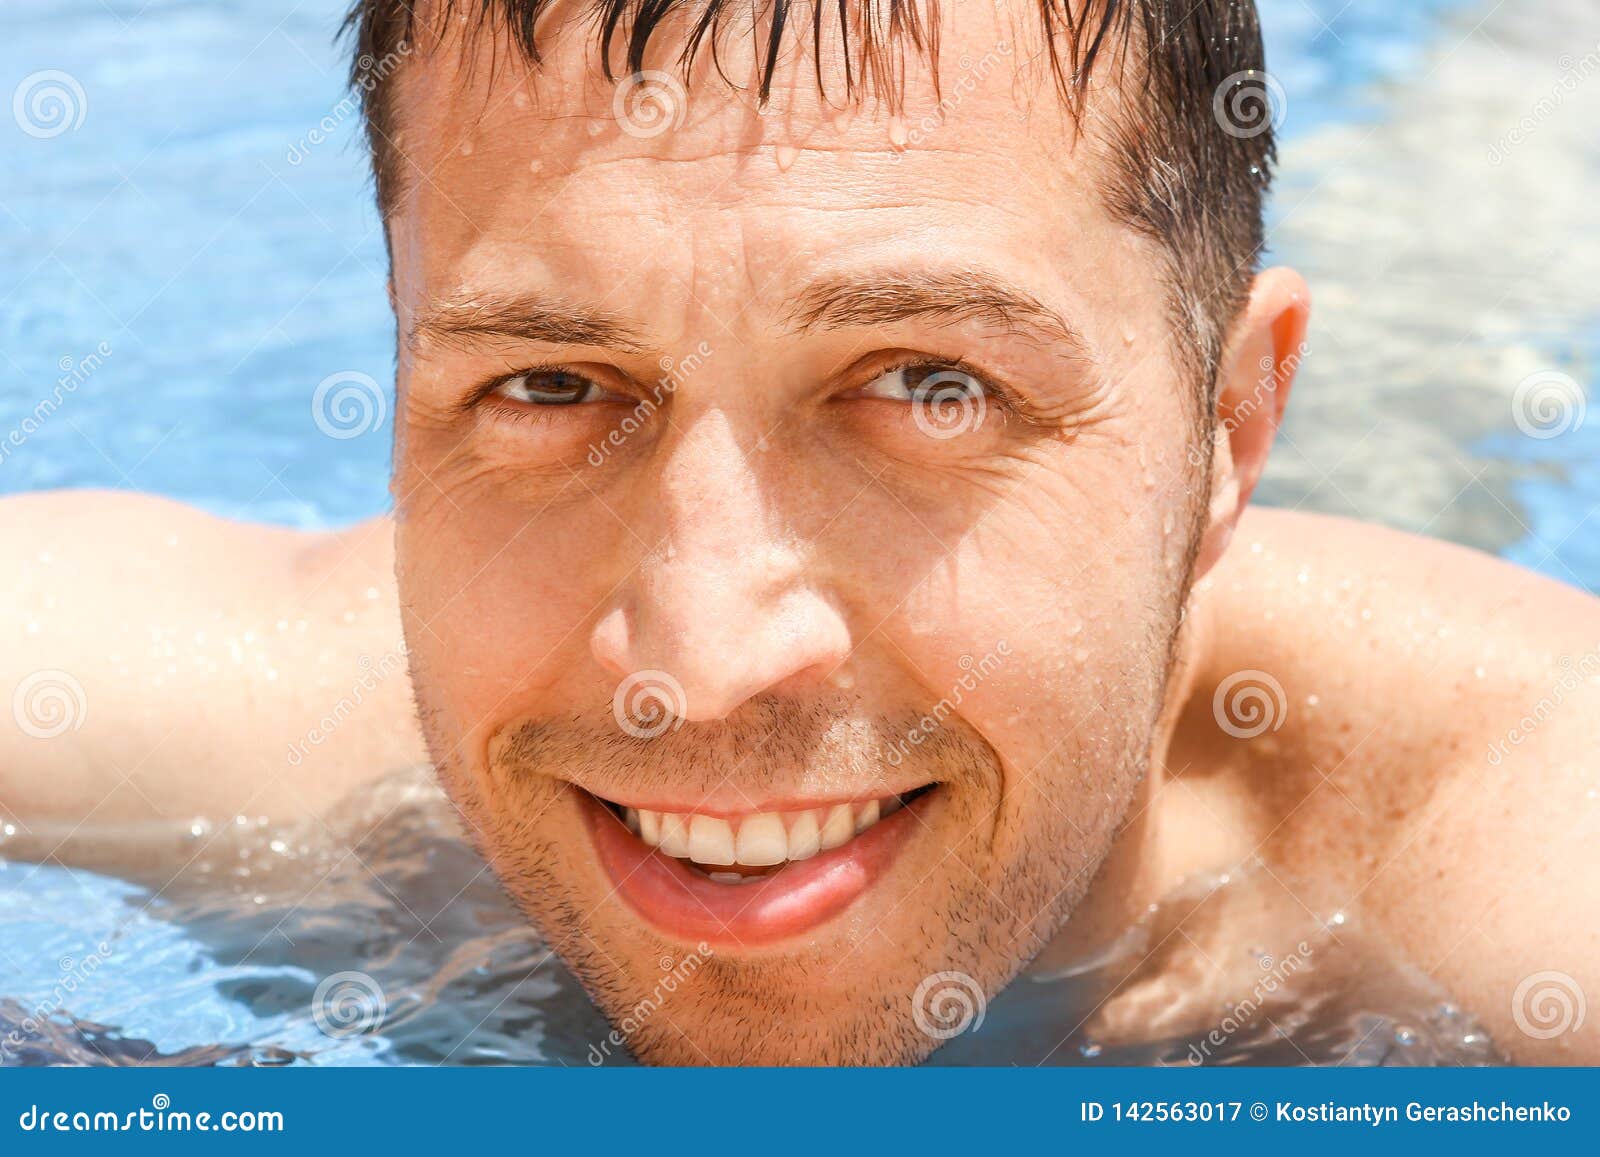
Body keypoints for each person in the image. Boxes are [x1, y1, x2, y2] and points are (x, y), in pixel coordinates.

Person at [3, 0, 1596, 1065]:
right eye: (553, 382)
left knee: (1446, 317)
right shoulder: (247, 720)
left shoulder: (1513, 873)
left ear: (1234, 428)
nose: (699, 665)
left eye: (929, 384)